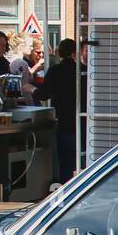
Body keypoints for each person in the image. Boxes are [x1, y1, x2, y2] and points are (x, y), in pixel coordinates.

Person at [33, 38, 79, 184]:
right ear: (74, 53)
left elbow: (43, 94)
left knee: (65, 162)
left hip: (63, 120)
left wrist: (32, 89)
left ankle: (67, 189)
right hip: (81, 121)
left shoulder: (55, 70)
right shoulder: (81, 70)